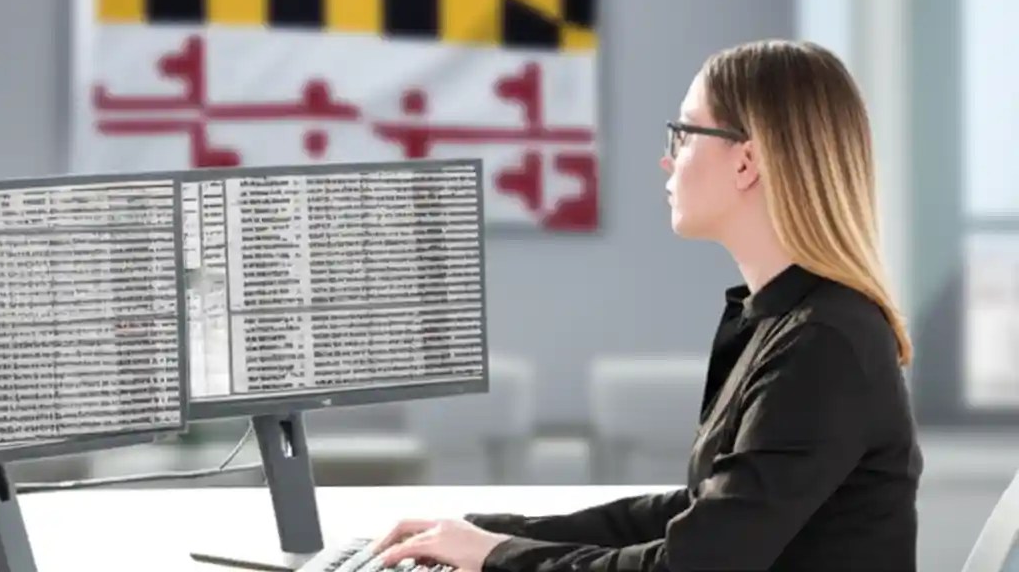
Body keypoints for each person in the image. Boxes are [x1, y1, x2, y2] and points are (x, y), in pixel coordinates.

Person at [371, 40, 924, 571]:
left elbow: (690, 565)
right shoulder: (785, 322)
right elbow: (699, 514)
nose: (668, 159)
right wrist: (492, 536)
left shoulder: (823, 345)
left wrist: (498, 556)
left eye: (684, 134)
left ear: (746, 162)